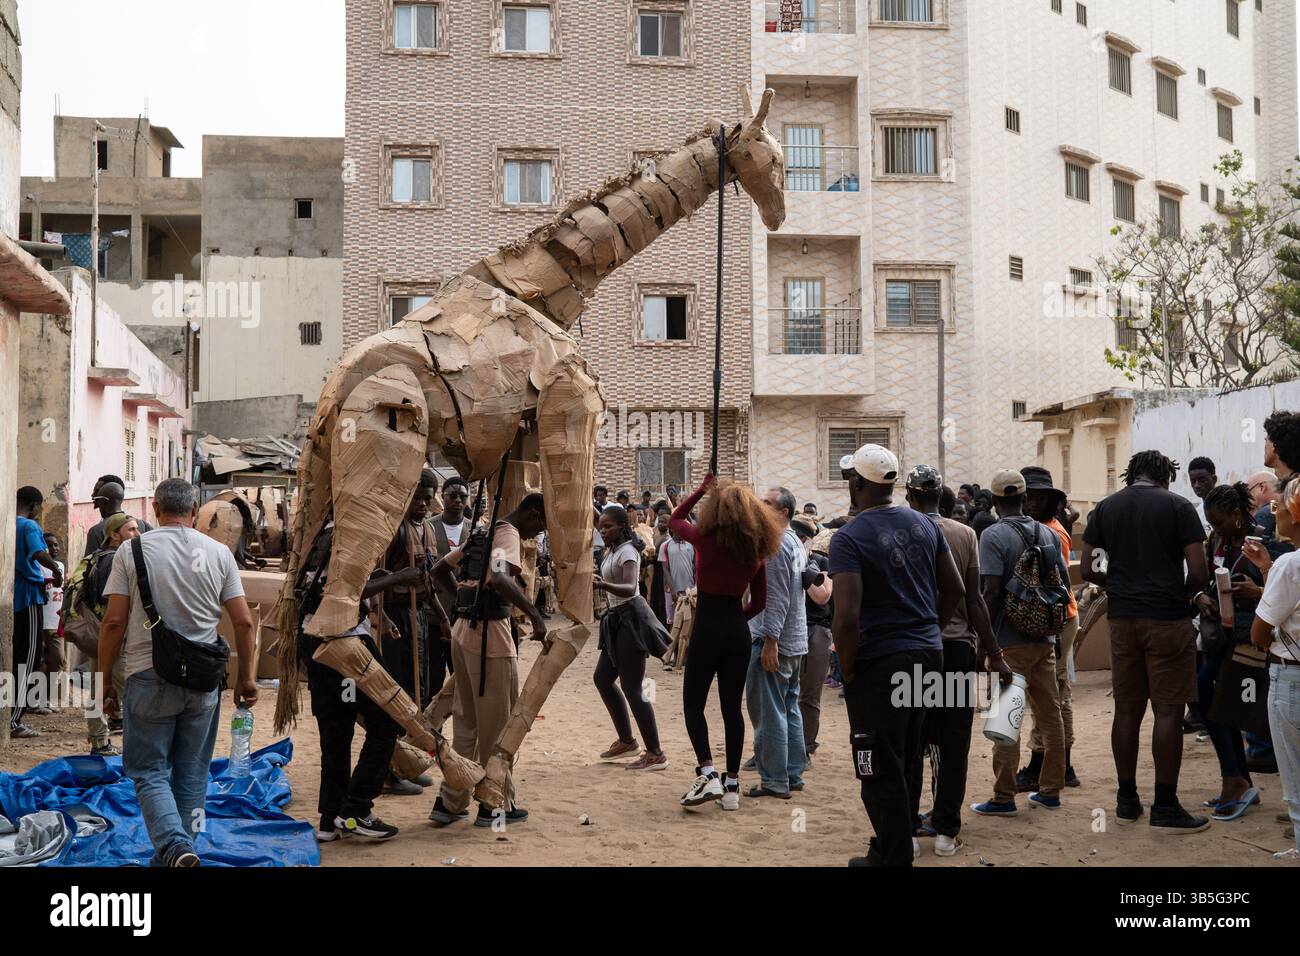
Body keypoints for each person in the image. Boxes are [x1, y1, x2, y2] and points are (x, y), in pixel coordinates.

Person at [98, 479, 257, 867]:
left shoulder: (130, 552)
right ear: (195, 512)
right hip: (204, 680)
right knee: (192, 769)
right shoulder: (220, 553)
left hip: (147, 675)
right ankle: (183, 850)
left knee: (149, 770)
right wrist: (247, 679)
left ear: (155, 509)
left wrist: (104, 680)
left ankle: (173, 847)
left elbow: (114, 622)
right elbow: (245, 623)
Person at [829, 445, 963, 867]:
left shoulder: (848, 537)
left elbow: (846, 617)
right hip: (929, 656)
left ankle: (892, 855)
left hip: (881, 662)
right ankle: (896, 841)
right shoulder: (926, 524)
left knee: (873, 760)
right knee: (907, 750)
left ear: (856, 483)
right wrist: (929, 632)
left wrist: (848, 666)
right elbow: (956, 589)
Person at [1081, 451, 1211, 833]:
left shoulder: (1106, 508)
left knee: (1127, 710)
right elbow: (1199, 571)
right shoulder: (1178, 506)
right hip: (1168, 620)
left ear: (1132, 474)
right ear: (1164, 476)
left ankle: (1126, 801)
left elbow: (1089, 568)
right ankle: (1166, 806)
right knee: (1168, 711)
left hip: (1122, 621)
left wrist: (1121, 587)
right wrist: (1179, 596)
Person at [297, 519, 427, 843]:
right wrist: (399, 578)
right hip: (343, 647)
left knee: (336, 732)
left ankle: (330, 820)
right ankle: (356, 809)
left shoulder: (324, 534)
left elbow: (336, 588)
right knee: (387, 720)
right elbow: (340, 592)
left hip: (318, 642)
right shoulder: (347, 533)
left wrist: (376, 610)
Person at [905, 470, 1011, 856]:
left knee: (910, 741)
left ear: (909, 495)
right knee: (953, 743)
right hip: (955, 653)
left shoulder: (903, 531)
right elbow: (975, 600)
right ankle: (946, 829)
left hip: (913, 651)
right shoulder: (965, 535)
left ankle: (908, 828)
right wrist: (995, 654)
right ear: (945, 501)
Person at [429, 493, 549, 829]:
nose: (536, 534)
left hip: (462, 634)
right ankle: (493, 804)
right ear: (533, 513)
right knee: (498, 730)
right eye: (541, 525)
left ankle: (451, 802)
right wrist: (534, 615)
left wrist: (466, 603)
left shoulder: (482, 530)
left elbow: (440, 570)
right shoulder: (507, 532)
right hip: (491, 640)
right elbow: (499, 577)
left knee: (466, 725)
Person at [671, 473, 779, 811]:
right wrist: (737, 623)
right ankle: (732, 784)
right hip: (737, 630)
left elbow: (675, 519)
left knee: (694, 705)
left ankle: (708, 772)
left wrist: (700, 489)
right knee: (732, 708)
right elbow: (759, 603)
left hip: (706, 627)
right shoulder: (757, 552)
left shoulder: (704, 538)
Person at [970, 469, 1070, 817]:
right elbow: (1061, 587)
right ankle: (1051, 790)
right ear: (1025, 498)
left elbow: (991, 592)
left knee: (1007, 720)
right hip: (1043, 638)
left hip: (1007, 645)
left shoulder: (993, 535)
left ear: (996, 501)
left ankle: (1003, 797)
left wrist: (985, 644)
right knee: (1050, 715)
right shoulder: (1048, 532)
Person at [1191, 483, 1264, 821]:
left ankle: (1235, 780)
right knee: (1215, 701)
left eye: (1218, 521)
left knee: (1216, 700)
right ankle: (1238, 780)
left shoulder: (1261, 541)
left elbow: (1283, 583)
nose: (1215, 528)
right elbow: (1205, 580)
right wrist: (1201, 598)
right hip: (1221, 636)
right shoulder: (1217, 542)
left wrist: (1255, 590)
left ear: (1237, 515)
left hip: (1250, 637)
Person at [1244, 475, 1300, 860]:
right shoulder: (1282, 567)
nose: (1274, 512)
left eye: (1281, 508)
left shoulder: (1290, 565)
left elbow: (1260, 631)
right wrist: (1267, 570)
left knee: (1295, 783)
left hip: (1291, 678)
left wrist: (1270, 571)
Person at [1017, 466, 1082, 791]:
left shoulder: (1050, 533)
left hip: (1057, 619)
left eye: (1038, 497)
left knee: (1055, 695)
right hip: (1052, 618)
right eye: (1027, 496)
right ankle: (1050, 763)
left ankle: (1057, 764)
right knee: (1049, 695)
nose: (1031, 503)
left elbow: (1049, 586)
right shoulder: (1041, 528)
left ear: (1052, 502)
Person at [592, 505, 670, 771]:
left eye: (608, 526)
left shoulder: (628, 552)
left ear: (622, 526)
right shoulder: (611, 550)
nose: (603, 531)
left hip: (631, 619)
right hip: (615, 619)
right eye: (601, 527)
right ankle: (626, 741)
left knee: (633, 688)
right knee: (602, 678)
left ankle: (656, 753)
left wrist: (602, 585)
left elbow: (628, 587)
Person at [744, 487, 808, 800]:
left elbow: (778, 596)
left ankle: (774, 781)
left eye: (767, 503)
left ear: (784, 512)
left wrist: (770, 640)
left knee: (769, 713)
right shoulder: (794, 540)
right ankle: (793, 774)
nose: (760, 507)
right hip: (794, 641)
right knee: (788, 708)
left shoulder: (778, 544)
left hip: (776, 641)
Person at [84, 513, 140, 756]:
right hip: (115, 636)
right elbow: (115, 609)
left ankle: (99, 741)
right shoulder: (116, 560)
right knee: (133, 691)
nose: (137, 535)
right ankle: (136, 746)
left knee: (98, 685)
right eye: (131, 530)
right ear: (115, 534)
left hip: (98, 633)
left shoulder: (97, 557)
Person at [11, 487, 63, 738]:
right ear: (34, 506)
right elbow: (38, 553)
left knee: (17, 658)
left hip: (15, 595)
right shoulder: (29, 527)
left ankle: (11, 715)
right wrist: (56, 570)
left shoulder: (9, 522)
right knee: (28, 659)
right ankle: (14, 719)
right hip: (30, 597)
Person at [791, 515, 833, 760]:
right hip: (789, 630)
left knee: (809, 694)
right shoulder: (782, 558)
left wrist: (806, 568)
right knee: (786, 692)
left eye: (799, 537)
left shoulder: (820, 561)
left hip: (816, 629)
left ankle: (806, 745)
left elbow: (822, 597)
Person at [35, 532, 65, 714]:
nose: (53, 549)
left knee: (58, 659)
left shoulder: (60, 566)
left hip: (55, 621)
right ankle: (36, 699)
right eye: (49, 545)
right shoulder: (36, 567)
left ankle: (49, 698)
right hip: (40, 621)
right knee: (39, 661)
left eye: (55, 545)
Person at [84, 478, 152, 555]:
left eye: (98, 500)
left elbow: (90, 563)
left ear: (103, 502)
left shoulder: (96, 531)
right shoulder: (142, 524)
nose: (137, 534)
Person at [659, 522, 695, 628]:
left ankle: (686, 645)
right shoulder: (665, 546)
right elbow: (665, 569)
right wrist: (673, 589)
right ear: (672, 529)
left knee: (689, 622)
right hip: (672, 591)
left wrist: (694, 588)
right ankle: (672, 644)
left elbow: (695, 566)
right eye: (678, 529)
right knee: (673, 622)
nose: (682, 531)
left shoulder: (691, 544)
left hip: (690, 590)